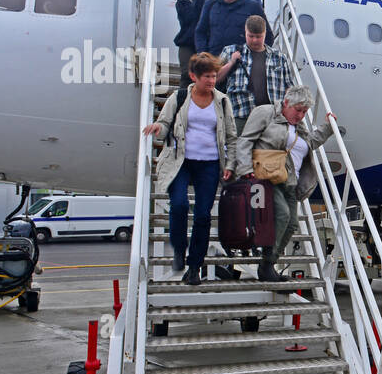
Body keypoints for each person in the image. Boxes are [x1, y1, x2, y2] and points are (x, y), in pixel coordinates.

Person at [143, 53, 237, 285]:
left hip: (209, 164)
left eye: (214, 76)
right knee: (179, 205)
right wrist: (158, 127)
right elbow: (165, 123)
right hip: (181, 161)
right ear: (194, 76)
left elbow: (232, 137)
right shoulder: (180, 96)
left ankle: (194, 266)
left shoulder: (222, 101)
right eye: (207, 76)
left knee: (203, 216)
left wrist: (231, 164)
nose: (212, 80)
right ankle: (178, 250)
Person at [235, 84, 338, 281]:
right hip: (267, 177)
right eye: (298, 110)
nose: (300, 115)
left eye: (304, 111)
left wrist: (327, 128)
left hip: (290, 182)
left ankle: (268, 263)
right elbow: (245, 140)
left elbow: (311, 143)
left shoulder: (299, 126)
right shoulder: (266, 113)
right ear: (286, 103)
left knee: (291, 224)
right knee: (281, 215)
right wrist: (245, 171)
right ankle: (265, 261)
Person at [216, 15, 294, 134]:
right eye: (250, 36)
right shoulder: (230, 51)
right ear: (245, 32)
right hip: (240, 115)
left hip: (271, 118)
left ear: (265, 33)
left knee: (268, 152)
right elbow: (215, 78)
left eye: (259, 37)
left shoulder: (279, 57)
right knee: (237, 151)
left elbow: (289, 87)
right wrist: (231, 62)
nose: (254, 40)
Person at [193, 0, 273, 59]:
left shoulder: (253, 7)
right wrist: (203, 54)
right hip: (215, 62)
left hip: (243, 63)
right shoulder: (210, 4)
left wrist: (257, 58)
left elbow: (267, 36)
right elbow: (200, 32)